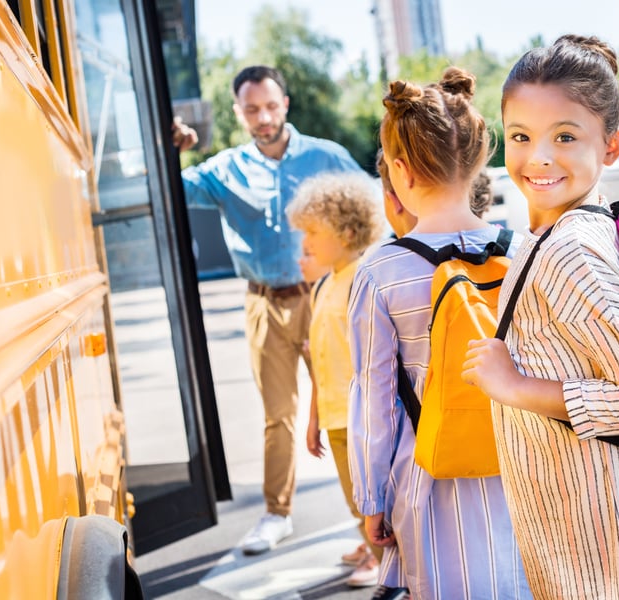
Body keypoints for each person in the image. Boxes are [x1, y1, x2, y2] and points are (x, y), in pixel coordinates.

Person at [462, 35, 619, 598]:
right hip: (581, 528)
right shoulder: (552, 234)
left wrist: (513, 385)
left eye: (564, 136)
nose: (538, 157)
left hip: (607, 537)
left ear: (611, 147)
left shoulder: (572, 249)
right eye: (520, 137)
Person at [347, 67, 532, 599]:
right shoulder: (520, 250)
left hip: (430, 479)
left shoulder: (380, 272)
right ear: (477, 163)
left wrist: (372, 497)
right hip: (522, 469)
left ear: (399, 172)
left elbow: (373, 400)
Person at [172, 65, 366, 555]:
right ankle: (277, 514)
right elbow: (170, 187)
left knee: (347, 412)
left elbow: (376, 207)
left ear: (286, 104)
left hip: (325, 299)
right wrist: (171, 146)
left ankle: (370, 527)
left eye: (271, 106)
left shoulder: (328, 156)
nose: (264, 117)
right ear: (238, 112)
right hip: (263, 303)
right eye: (253, 109)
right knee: (277, 416)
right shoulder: (224, 170)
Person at [286, 172, 386, 588]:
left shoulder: (363, 279)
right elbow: (318, 360)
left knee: (369, 498)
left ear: (347, 232)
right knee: (354, 496)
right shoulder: (323, 284)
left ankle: (387, 566)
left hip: (361, 419)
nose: (304, 242)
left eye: (312, 231)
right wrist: (313, 419)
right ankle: (374, 548)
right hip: (336, 416)